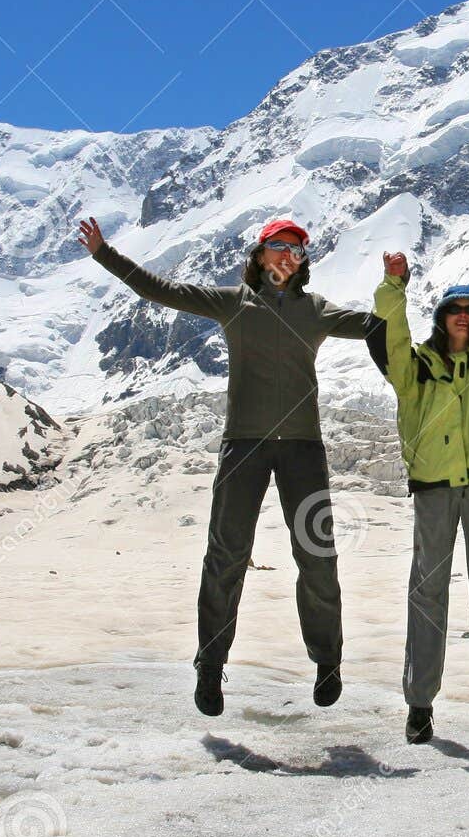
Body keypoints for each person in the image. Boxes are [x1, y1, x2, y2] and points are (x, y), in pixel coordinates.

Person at [77, 215, 378, 718]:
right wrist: (105, 254)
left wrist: (397, 288)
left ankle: (328, 662)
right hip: (245, 447)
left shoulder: (317, 310)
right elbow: (161, 290)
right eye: (280, 247)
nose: (289, 255)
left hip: (303, 448)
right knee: (226, 556)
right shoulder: (232, 302)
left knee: (317, 556)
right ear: (260, 255)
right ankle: (211, 666)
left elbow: (376, 326)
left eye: (298, 250)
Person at [368, 217, 469, 745]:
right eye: (454, 309)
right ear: (441, 317)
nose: (464, 316)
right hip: (433, 488)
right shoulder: (415, 370)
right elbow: (387, 341)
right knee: (427, 594)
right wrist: (393, 288)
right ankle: (420, 705)